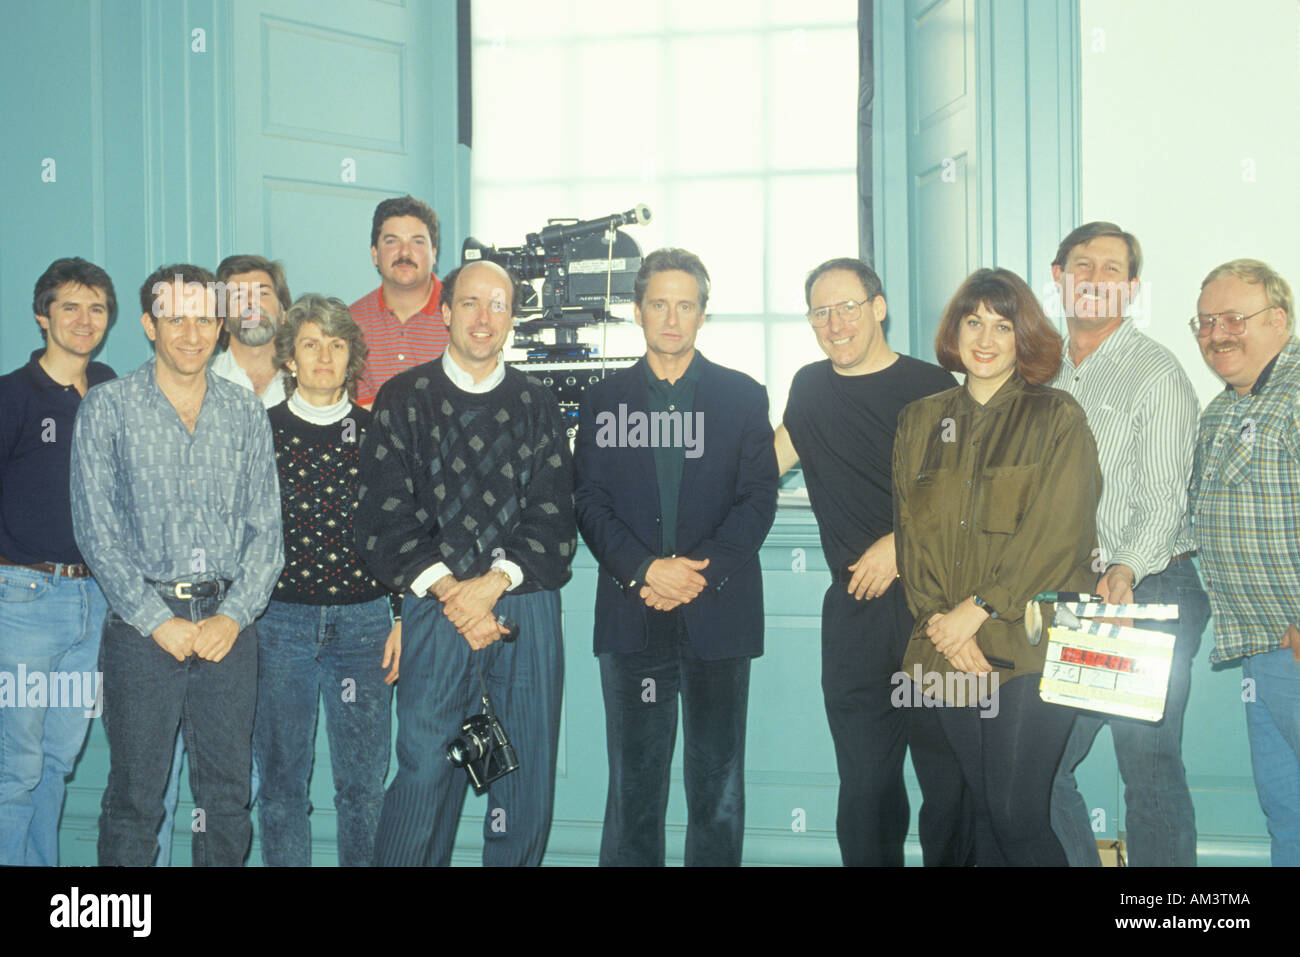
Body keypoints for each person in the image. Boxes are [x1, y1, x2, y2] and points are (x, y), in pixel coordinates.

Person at [355, 259, 575, 866]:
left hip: (522, 610)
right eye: (471, 303)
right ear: (446, 312)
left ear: (511, 318)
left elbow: (555, 519)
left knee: (521, 779)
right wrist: (458, 594)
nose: (484, 318)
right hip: (436, 609)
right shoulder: (404, 398)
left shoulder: (538, 403)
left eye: (498, 305)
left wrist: (494, 584)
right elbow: (382, 517)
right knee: (427, 769)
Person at [70, 263, 283, 866]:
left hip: (229, 629)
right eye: (175, 318)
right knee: (136, 798)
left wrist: (234, 615)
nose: (191, 333)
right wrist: (155, 619)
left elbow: (266, 531)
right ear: (149, 324)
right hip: (142, 631)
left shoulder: (246, 413)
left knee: (225, 796)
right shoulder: (107, 409)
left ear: (221, 325)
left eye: (205, 318)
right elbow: (96, 531)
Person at [574, 247, 778, 866]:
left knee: (717, 786)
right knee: (634, 785)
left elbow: (756, 500)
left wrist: (694, 576)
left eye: (685, 305)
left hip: (716, 613)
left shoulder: (742, 397)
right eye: (658, 304)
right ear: (637, 312)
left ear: (702, 314)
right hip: (634, 616)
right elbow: (589, 500)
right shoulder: (603, 399)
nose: (671, 317)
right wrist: (645, 570)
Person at [892, 267, 1101, 866]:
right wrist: (943, 624)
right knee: (978, 810)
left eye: (1002, 326)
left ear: (1022, 337)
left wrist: (977, 609)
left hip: (1029, 642)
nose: (985, 339)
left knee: (1017, 814)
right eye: (974, 321)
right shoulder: (919, 420)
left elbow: (1060, 535)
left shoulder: (1057, 416)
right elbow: (912, 536)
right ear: (954, 331)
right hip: (950, 646)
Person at [774, 257, 964, 866]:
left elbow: (970, 499)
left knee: (949, 783)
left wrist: (900, 545)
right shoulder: (808, 386)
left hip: (935, 613)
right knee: (864, 788)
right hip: (853, 613)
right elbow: (760, 465)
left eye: (848, 307)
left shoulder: (936, 386)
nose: (835, 323)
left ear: (878, 308)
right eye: (821, 312)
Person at [1045, 222, 1209, 867]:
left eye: (1111, 269)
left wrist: (1125, 568)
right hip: (1073, 599)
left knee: (1149, 771)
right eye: (1081, 264)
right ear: (1058, 276)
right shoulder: (1042, 371)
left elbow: (1166, 498)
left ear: (1132, 288)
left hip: (1147, 591)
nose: (1094, 277)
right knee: (1043, 769)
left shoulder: (1156, 372)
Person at [251, 294, 401, 866]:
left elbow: (401, 527)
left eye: (336, 345)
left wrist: (402, 617)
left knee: (363, 789)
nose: (323, 356)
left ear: (351, 358)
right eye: (310, 343)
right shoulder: (258, 432)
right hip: (279, 623)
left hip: (364, 627)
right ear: (289, 356)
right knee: (283, 787)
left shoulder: (378, 432)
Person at [155, 253, 294, 865]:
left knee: (241, 773)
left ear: (281, 305)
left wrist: (238, 610)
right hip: (177, 609)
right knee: (153, 775)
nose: (249, 305)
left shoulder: (317, 374)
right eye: (233, 297)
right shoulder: (193, 382)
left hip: (270, 607)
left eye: (261, 292)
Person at [0, 257, 117, 866]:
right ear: (42, 315)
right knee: (14, 764)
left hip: (94, 601)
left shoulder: (111, 388)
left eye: (96, 308)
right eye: (69, 306)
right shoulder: (12, 395)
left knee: (56, 758)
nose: (83, 319)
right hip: (24, 597)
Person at [1188, 258, 1300, 866]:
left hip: (1296, 641)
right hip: (1261, 647)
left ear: (1278, 320)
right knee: (1286, 812)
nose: (1217, 333)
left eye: (1234, 318)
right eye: (1205, 322)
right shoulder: (1219, 411)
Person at [349, 194, 446, 408]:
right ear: (375, 254)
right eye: (392, 241)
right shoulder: (351, 322)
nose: (405, 252)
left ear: (434, 253)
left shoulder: (462, 315)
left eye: (417, 242)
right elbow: (352, 413)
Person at [209, 254, 293, 407]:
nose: (251, 303)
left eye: (262, 293)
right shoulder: (202, 379)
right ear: (224, 321)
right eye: (238, 296)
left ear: (283, 314)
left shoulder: (307, 380)